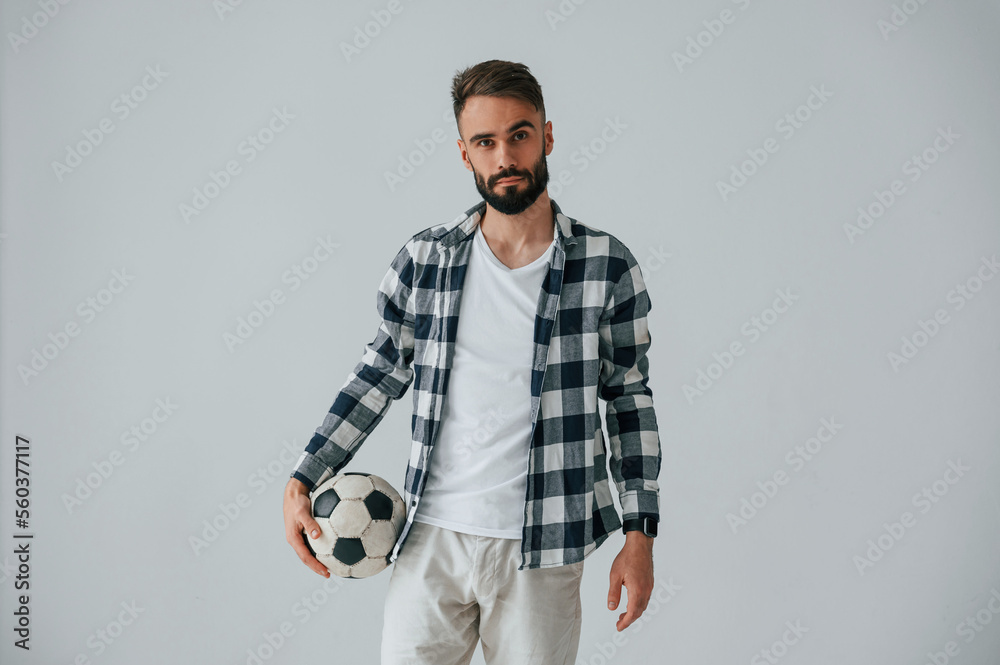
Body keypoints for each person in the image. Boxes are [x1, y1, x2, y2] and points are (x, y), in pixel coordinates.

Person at [283, 59, 662, 665]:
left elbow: (629, 400)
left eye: (519, 134)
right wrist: (305, 475)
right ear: (465, 154)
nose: (505, 156)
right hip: (430, 538)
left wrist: (639, 535)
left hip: (545, 545)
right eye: (485, 142)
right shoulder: (426, 260)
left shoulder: (606, 266)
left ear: (547, 136)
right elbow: (378, 372)